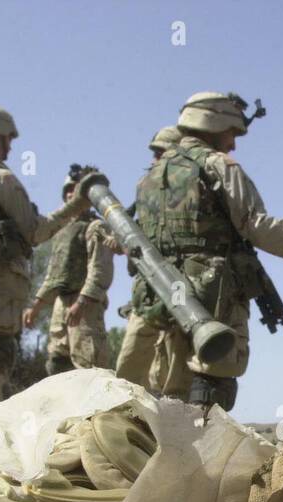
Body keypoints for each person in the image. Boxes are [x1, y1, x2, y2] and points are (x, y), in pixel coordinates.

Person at [136, 92, 283, 409]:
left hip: (160, 296)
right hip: (212, 294)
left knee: (168, 391)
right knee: (213, 382)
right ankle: (203, 449)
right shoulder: (219, 166)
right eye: (232, 133)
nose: (233, 144)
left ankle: (168, 451)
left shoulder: (150, 178)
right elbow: (257, 227)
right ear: (215, 123)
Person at [0, 104, 95, 413]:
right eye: (9, 138)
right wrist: (78, 204)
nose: (11, 145)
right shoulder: (0, 176)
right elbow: (35, 232)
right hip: (1, 277)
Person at [22, 167, 117, 373]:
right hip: (61, 303)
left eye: (76, 191)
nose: (70, 195)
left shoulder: (95, 227)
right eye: (68, 191)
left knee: (89, 368)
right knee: (56, 364)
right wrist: (36, 307)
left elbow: (99, 270)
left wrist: (82, 302)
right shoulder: (63, 231)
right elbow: (54, 275)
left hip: (85, 305)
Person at [114, 126, 182, 392]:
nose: (156, 160)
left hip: (179, 287)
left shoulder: (191, 190)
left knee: (172, 371)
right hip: (147, 293)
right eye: (154, 153)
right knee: (129, 366)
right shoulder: (145, 190)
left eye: (162, 153)